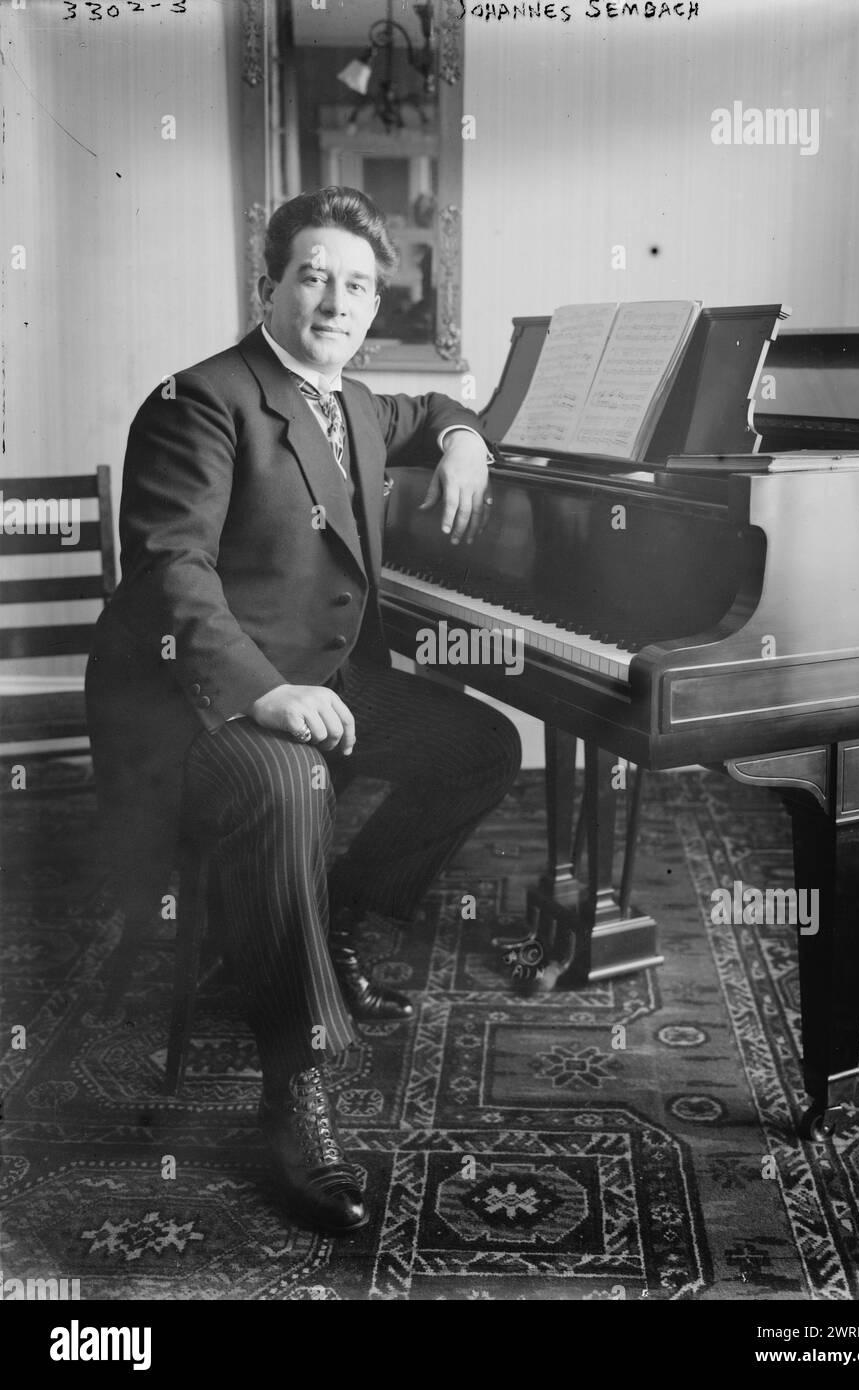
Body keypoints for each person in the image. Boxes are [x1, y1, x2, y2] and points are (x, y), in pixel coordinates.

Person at [85, 187, 521, 1233]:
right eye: (315, 275)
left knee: (479, 744)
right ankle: (296, 1088)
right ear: (269, 284)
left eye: (360, 284)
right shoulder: (200, 399)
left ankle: (331, 918)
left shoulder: (358, 402)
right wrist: (265, 692)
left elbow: (435, 411)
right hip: (195, 695)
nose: (337, 299)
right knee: (289, 773)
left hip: (319, 677)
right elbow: (170, 570)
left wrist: (465, 434)